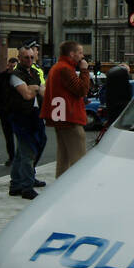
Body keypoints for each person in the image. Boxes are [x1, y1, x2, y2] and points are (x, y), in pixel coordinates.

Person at [40, 40, 93, 177]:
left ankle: (61, 186)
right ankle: (77, 187)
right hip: (70, 118)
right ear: (72, 53)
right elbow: (82, 90)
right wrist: (84, 70)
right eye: (80, 52)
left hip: (61, 117)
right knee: (78, 158)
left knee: (64, 158)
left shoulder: (57, 67)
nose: (82, 56)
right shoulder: (65, 69)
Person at [6, 47, 46, 199]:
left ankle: (16, 184)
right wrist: (35, 88)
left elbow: (42, 91)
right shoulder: (16, 75)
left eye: (31, 57)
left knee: (22, 152)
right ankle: (26, 187)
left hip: (34, 115)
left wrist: (34, 88)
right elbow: (27, 94)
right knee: (28, 151)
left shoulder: (34, 73)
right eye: (26, 57)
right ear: (19, 58)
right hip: (21, 116)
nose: (29, 60)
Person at [0, 56, 18, 165]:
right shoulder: (1, 77)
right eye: (10, 66)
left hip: (17, 110)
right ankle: (12, 157)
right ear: (7, 65)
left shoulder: (20, 76)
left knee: (20, 135)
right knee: (8, 136)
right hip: (5, 111)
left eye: (14, 66)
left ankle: (19, 157)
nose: (12, 68)